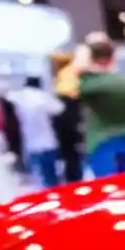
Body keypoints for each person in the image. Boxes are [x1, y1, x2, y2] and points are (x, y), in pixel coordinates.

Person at [78, 36, 125, 177]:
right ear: (113, 56)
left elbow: (70, 91)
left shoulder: (88, 85)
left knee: (108, 188)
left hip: (101, 140)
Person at [6, 76, 65, 188]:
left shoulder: (19, 97)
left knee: (37, 177)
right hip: (47, 142)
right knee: (51, 175)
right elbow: (60, 109)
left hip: (30, 144)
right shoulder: (43, 97)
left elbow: (8, 95)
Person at [52, 53, 85, 183]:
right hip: (69, 116)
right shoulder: (67, 74)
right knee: (72, 157)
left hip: (68, 116)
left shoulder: (66, 74)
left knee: (71, 157)